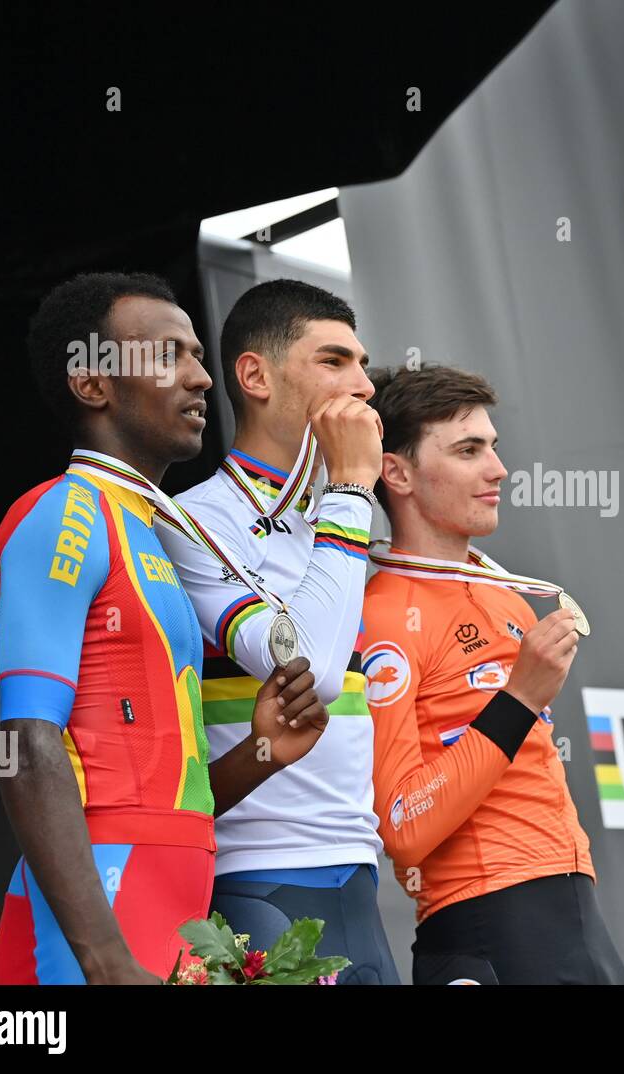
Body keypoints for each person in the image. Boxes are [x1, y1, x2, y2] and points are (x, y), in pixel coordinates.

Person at [0, 272, 329, 984]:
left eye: (198, 355)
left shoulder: (150, 531)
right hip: (103, 918)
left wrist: (260, 753)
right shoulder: (66, 514)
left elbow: (166, 802)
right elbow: (25, 742)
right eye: (169, 355)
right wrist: (105, 956)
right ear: (93, 384)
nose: (201, 378)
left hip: (164, 899)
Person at [155, 279, 398, 984]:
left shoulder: (339, 518)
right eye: (333, 361)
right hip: (258, 876)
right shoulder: (196, 518)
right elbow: (309, 670)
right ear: (255, 376)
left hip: (359, 874)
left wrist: (346, 500)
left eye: (362, 364)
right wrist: (352, 490)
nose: (363, 387)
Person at [361, 363, 624, 984]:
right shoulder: (384, 615)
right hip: (486, 924)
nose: (499, 469)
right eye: (468, 450)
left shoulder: (504, 596)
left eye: (492, 447)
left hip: (575, 912)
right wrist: (516, 700)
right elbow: (402, 825)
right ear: (397, 473)